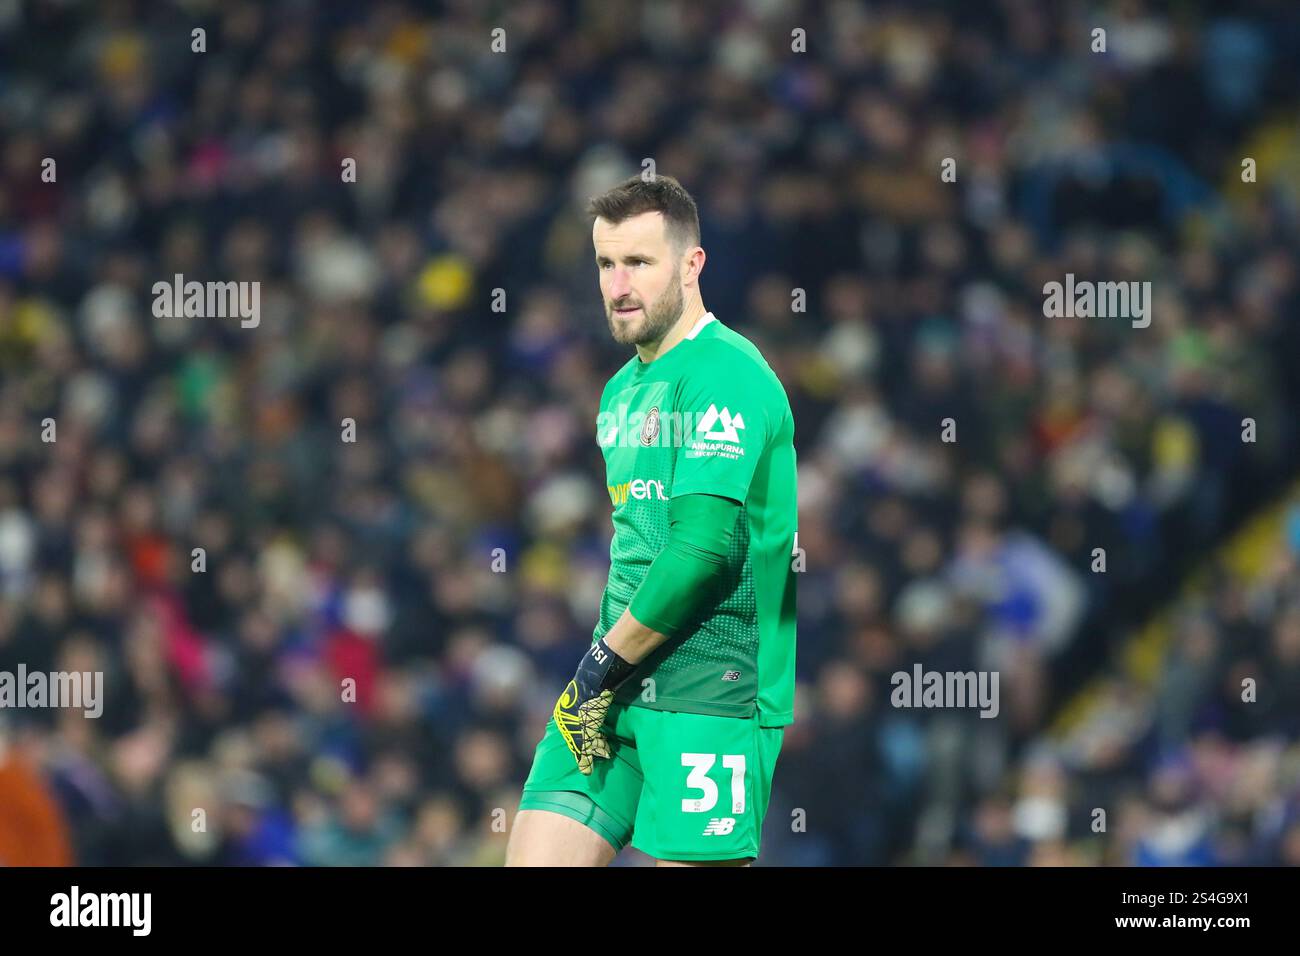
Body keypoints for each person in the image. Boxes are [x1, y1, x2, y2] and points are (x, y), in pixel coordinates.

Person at [506, 175, 798, 866]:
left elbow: (701, 552)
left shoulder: (728, 375)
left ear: (691, 265)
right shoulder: (621, 389)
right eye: (607, 263)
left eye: (639, 262)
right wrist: (603, 678)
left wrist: (599, 667)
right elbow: (639, 548)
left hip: (711, 689)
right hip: (611, 689)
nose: (619, 284)